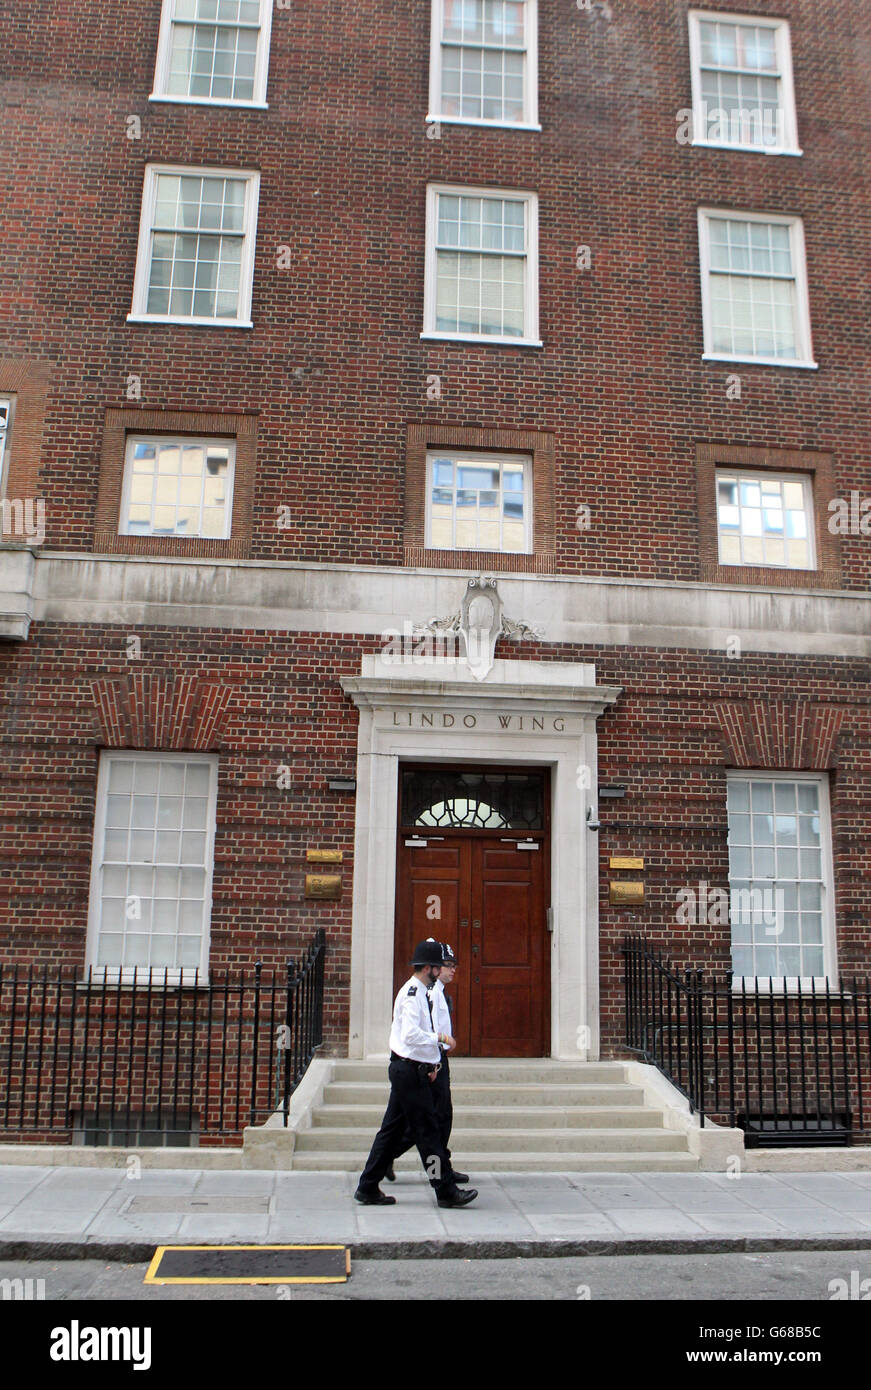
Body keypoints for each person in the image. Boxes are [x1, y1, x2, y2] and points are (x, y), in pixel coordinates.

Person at [354, 940, 478, 1208]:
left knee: (390, 1132)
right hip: (407, 1071)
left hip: (411, 1069)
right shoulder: (412, 993)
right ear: (430, 967)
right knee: (428, 1134)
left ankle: (367, 1186)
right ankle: (445, 1190)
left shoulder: (422, 991)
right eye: (439, 965)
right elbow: (410, 1035)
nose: (443, 969)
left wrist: (433, 1064)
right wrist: (440, 1038)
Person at [384, 939, 469, 1185]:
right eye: (447, 964)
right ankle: (439, 1174)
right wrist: (436, 1056)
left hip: (433, 1058)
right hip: (427, 1060)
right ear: (433, 967)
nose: (452, 969)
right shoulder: (425, 992)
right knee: (430, 1120)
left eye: (454, 965)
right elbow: (421, 1031)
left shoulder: (436, 992)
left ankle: (388, 1161)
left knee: (430, 1118)